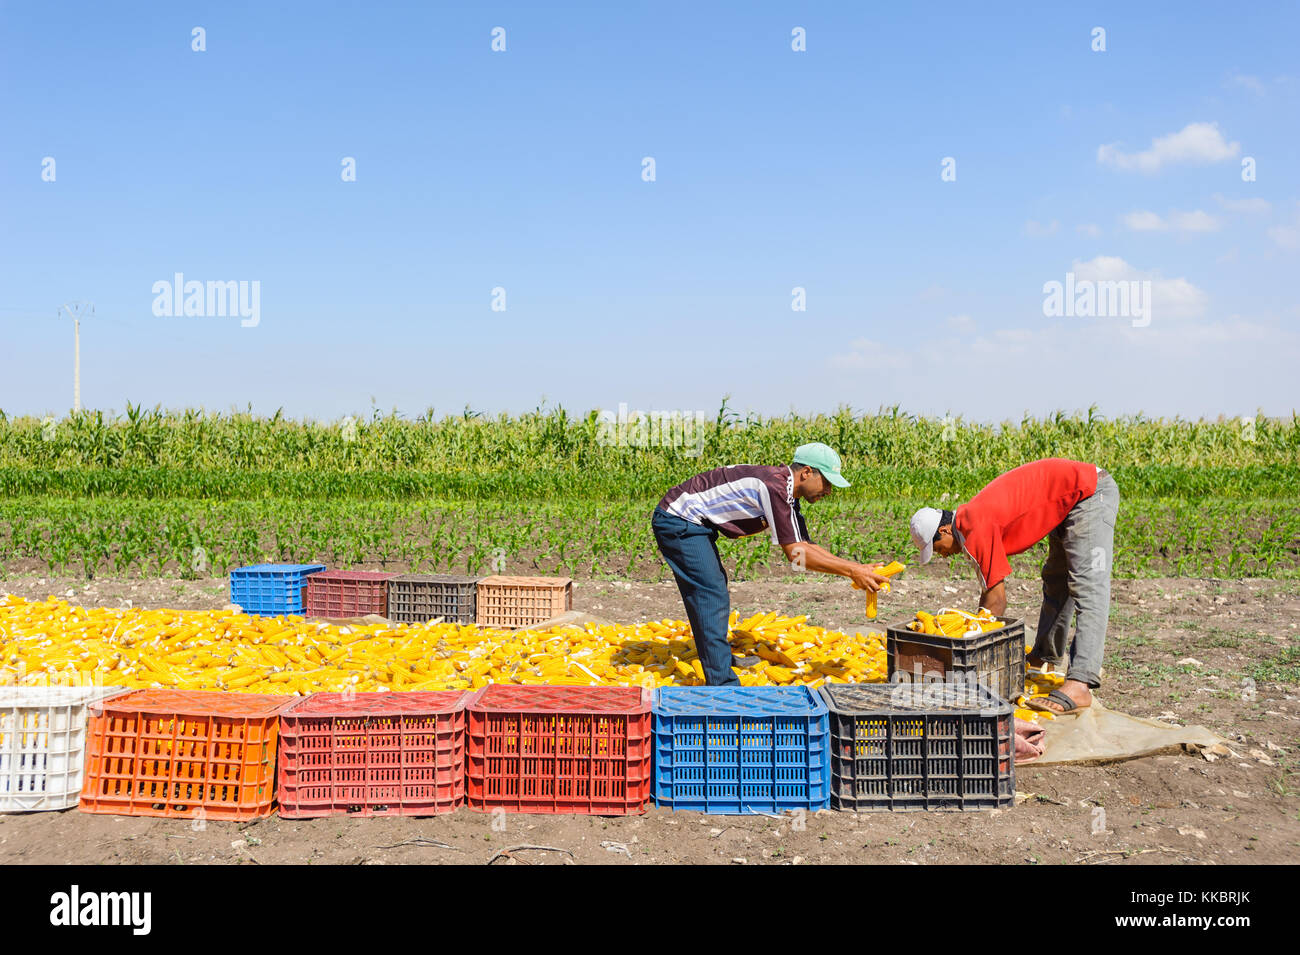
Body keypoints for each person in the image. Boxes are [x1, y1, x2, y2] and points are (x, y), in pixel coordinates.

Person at [653, 442, 888, 685]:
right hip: (678, 519)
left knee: (714, 587)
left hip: (695, 523)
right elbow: (796, 554)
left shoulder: (786, 492)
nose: (828, 491)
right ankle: (722, 683)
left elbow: (804, 546)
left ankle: (718, 661)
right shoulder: (774, 486)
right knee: (710, 591)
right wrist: (852, 571)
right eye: (827, 482)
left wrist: (855, 569)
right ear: (807, 472)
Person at [907, 457, 1120, 714]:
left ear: (944, 530)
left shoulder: (975, 528)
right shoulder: (970, 520)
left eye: (936, 548)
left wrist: (973, 649)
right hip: (1068, 499)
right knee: (1057, 581)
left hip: (1089, 492)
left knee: (1089, 586)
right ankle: (1044, 656)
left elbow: (996, 600)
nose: (941, 555)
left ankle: (1080, 682)